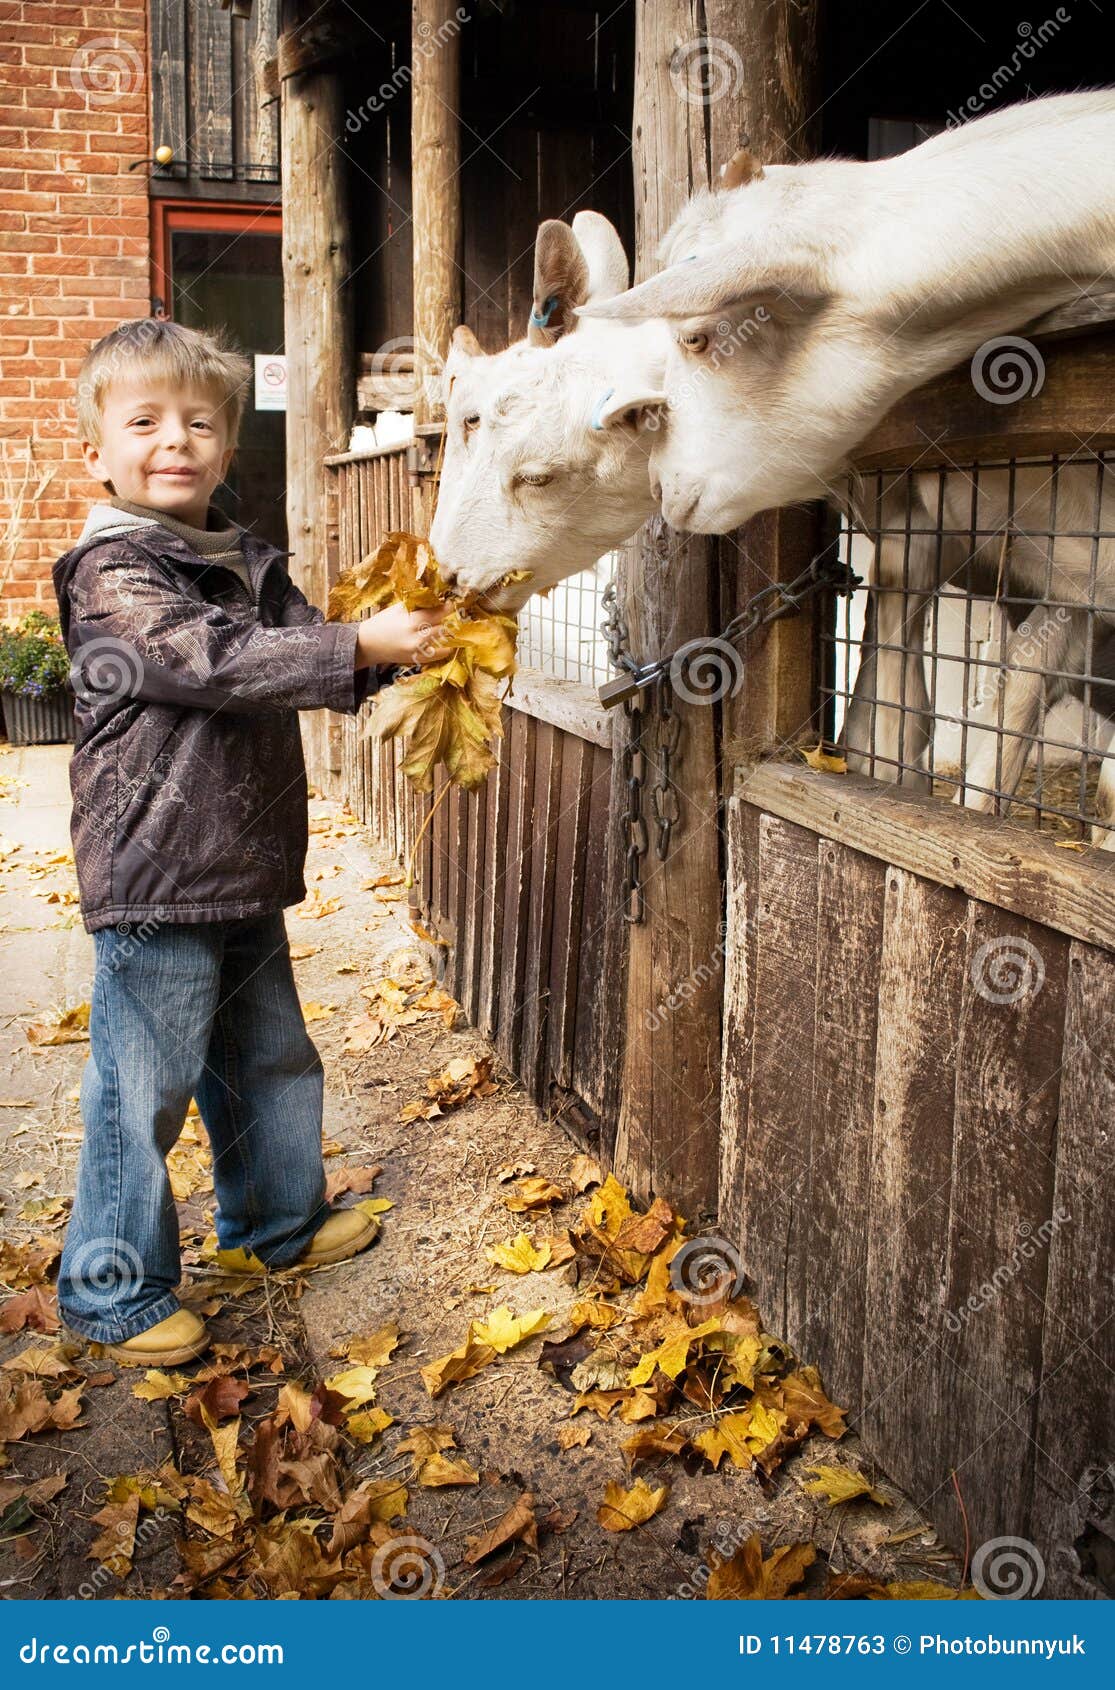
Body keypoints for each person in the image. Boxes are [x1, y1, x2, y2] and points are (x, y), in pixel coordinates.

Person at [51, 318, 451, 1367]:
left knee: (267, 1055)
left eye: (198, 421)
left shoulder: (240, 555)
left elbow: (304, 656)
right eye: (143, 422)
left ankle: (273, 1225)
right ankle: (109, 1284)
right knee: (144, 1084)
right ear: (98, 453)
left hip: (239, 866)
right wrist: (350, 643)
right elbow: (212, 659)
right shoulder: (112, 570)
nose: (173, 439)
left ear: (227, 445)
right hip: (156, 874)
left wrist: (399, 652)